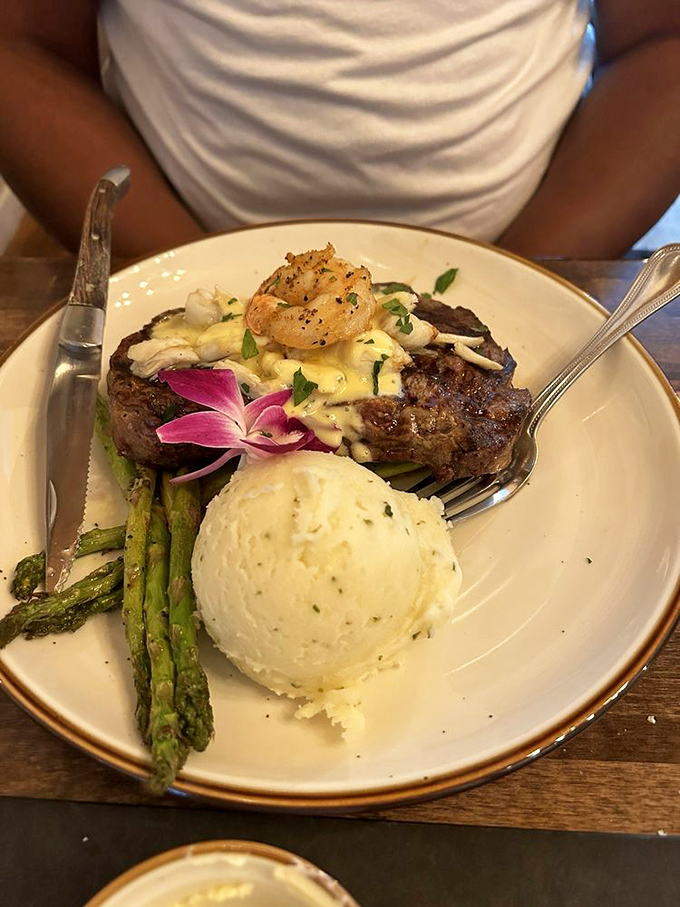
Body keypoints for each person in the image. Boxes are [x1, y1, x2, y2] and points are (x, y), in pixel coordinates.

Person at [0, 1, 678, 260]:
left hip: (538, 247)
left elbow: (663, 42)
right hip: (163, 249)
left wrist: (514, 284)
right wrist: (200, 291)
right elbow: (23, 46)